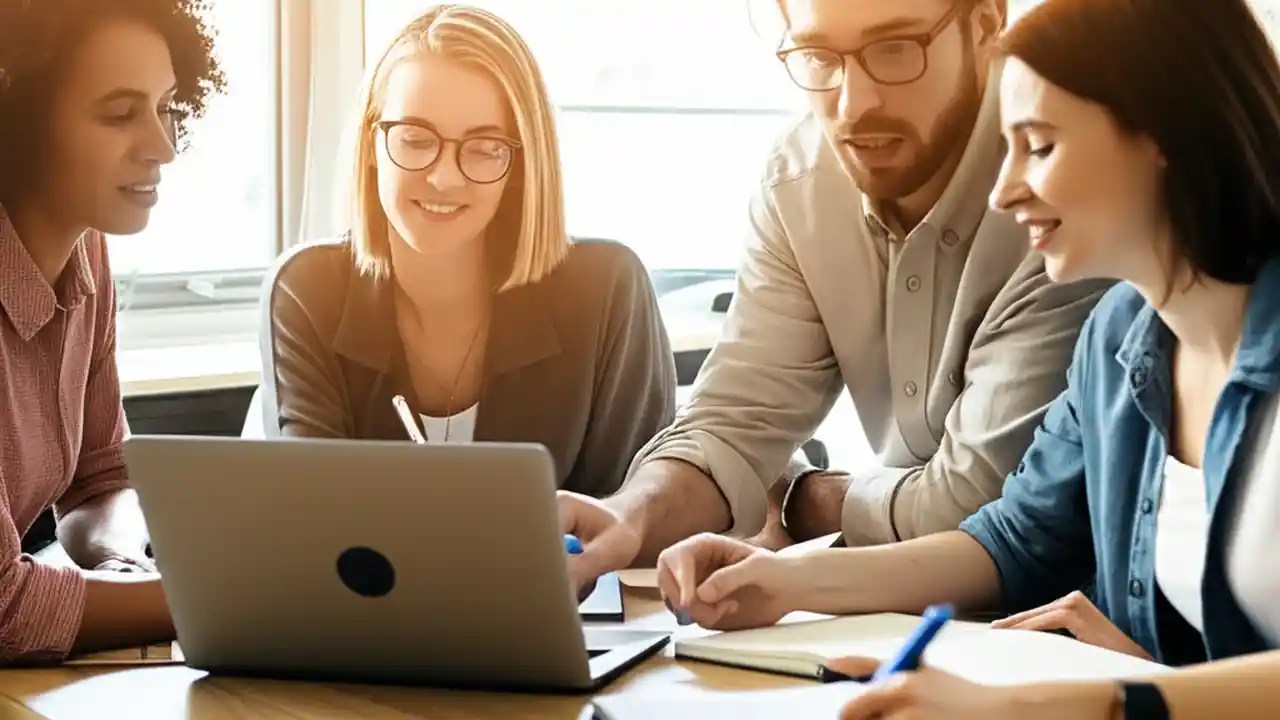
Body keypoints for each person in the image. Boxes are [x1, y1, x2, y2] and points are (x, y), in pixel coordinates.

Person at [658, 0, 1280, 716]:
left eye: (1040, 146)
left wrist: (1097, 702)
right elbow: (1014, 539)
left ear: (1164, 132)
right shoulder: (1119, 337)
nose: (1005, 188)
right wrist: (781, 583)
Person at [559, 0, 1111, 594]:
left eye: (895, 50)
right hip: (888, 616)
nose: (854, 104)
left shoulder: (1063, 192)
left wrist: (809, 499)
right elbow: (734, 425)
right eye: (819, 56)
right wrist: (626, 517)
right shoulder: (802, 181)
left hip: (1063, 628)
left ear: (984, 26)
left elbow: (979, 513)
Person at [260, 5, 675, 498]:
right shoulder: (309, 291)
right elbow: (312, 518)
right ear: (372, 144)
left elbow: (631, 522)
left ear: (520, 164)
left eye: (484, 148)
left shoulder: (606, 290)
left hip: (563, 578)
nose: (444, 177)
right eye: (414, 139)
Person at [0, 0, 223, 664]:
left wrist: (121, 562)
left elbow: (100, 476)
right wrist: (224, 597)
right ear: (21, 120)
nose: (161, 148)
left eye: (167, 109)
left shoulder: (87, 256)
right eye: (122, 114)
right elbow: (5, 610)